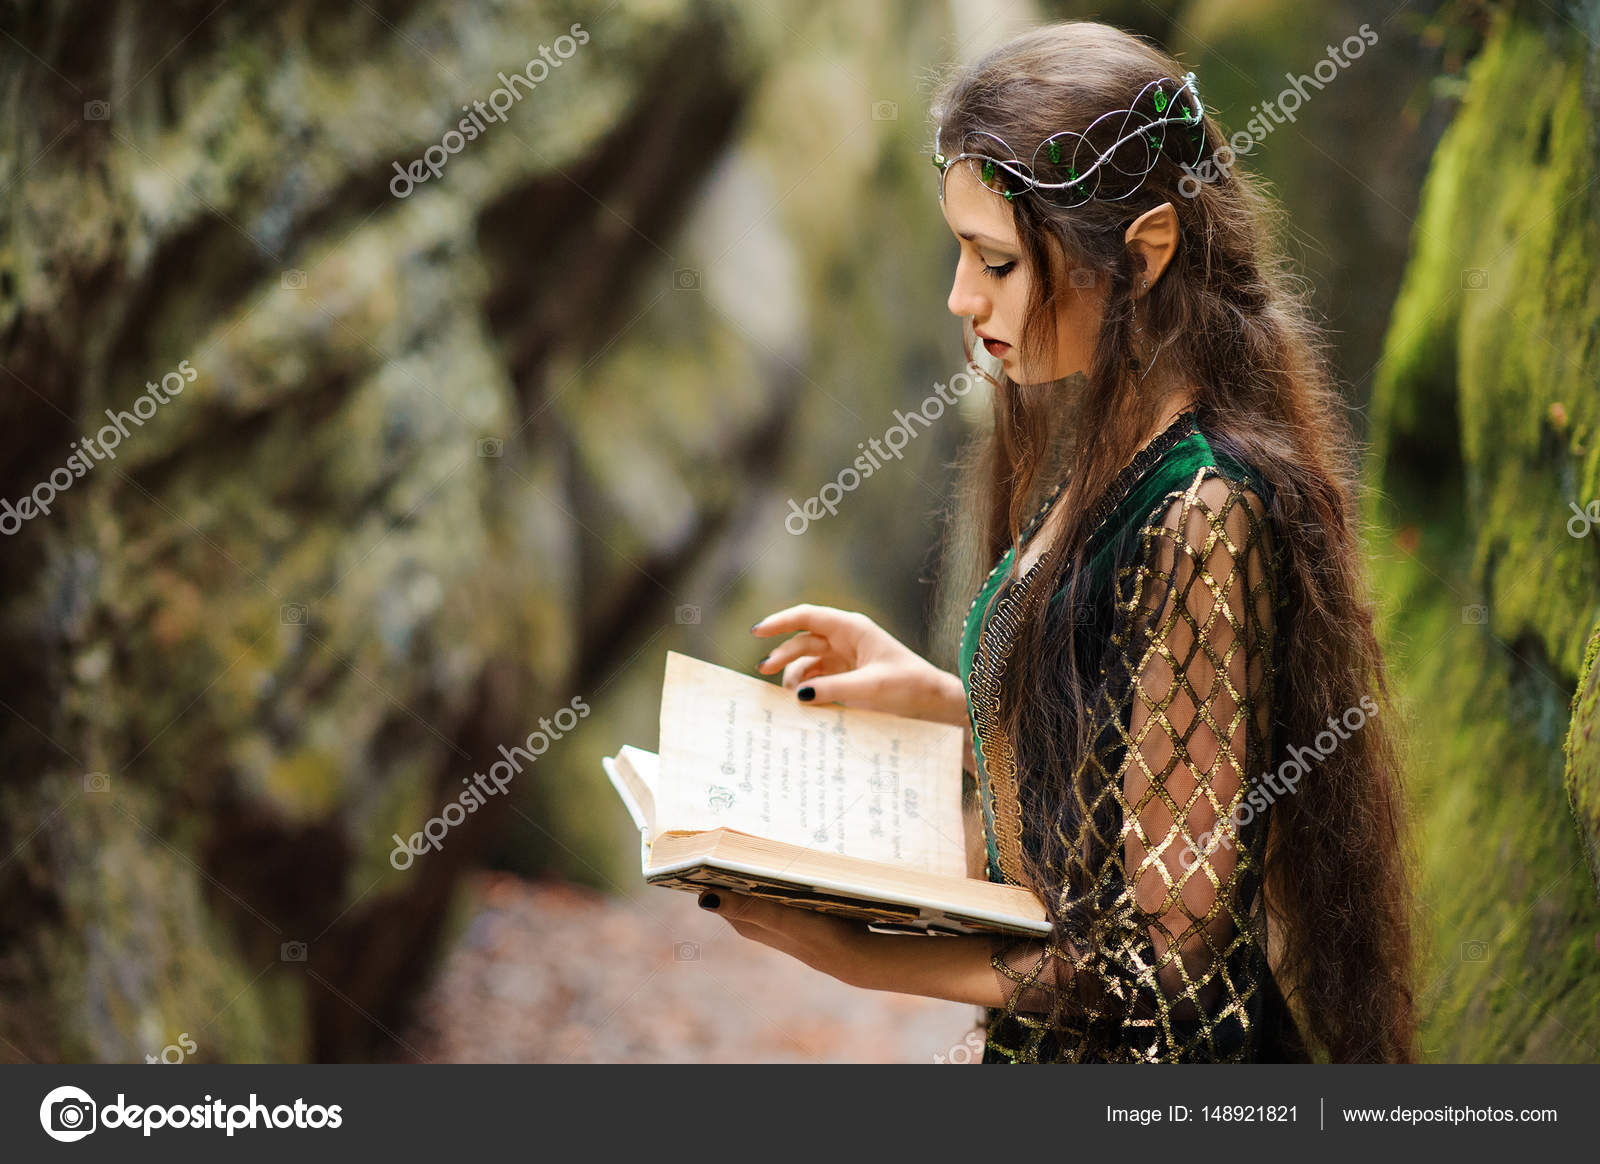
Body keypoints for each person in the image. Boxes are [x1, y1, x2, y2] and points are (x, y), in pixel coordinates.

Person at [704, 20, 1416, 1063]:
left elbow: (1170, 970)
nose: (961, 297)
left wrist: (866, 956)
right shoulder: (1110, 438)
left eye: (994, 261)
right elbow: (1120, 745)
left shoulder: (1204, 508)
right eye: (961, 252)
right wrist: (946, 699)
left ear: (1146, 252)